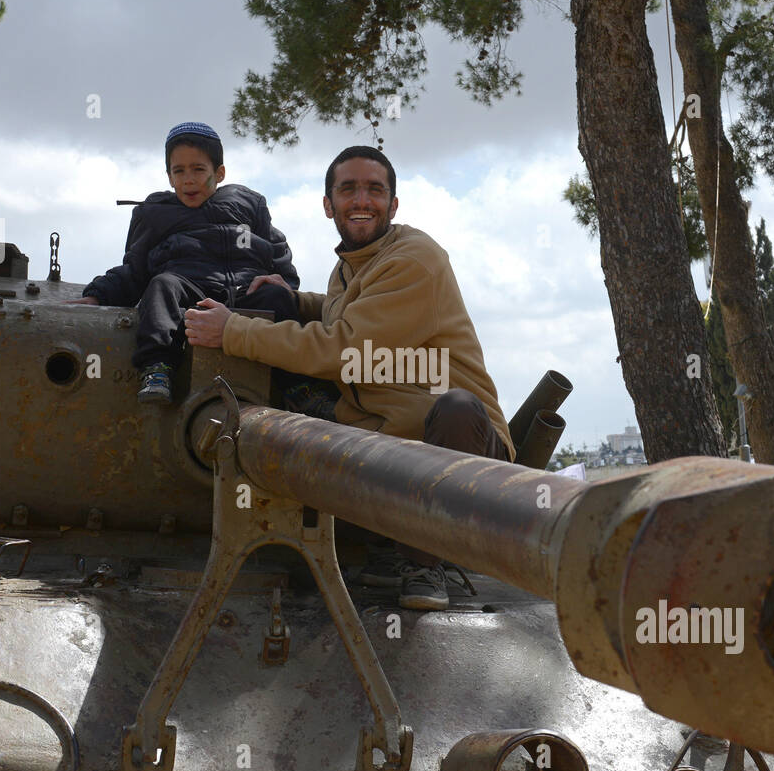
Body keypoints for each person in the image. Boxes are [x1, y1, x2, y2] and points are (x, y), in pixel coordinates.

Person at [183, 146, 514, 611]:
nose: (362, 199)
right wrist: (297, 300)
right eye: (348, 189)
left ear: (393, 204)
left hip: (464, 451)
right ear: (328, 204)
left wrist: (233, 331)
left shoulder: (415, 259)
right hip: (393, 429)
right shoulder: (354, 263)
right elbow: (348, 314)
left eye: (375, 190)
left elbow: (345, 348)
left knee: (455, 408)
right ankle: (386, 542)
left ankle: (426, 563)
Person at [67, 121, 300, 402]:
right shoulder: (156, 213)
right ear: (169, 177)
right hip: (189, 294)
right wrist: (98, 295)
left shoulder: (248, 204)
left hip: (244, 293)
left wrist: (284, 281)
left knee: (276, 296)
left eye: (199, 170)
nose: (188, 179)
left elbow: (276, 250)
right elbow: (135, 269)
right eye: (179, 171)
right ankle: (158, 366)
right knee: (162, 285)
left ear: (219, 173)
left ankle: (296, 385)